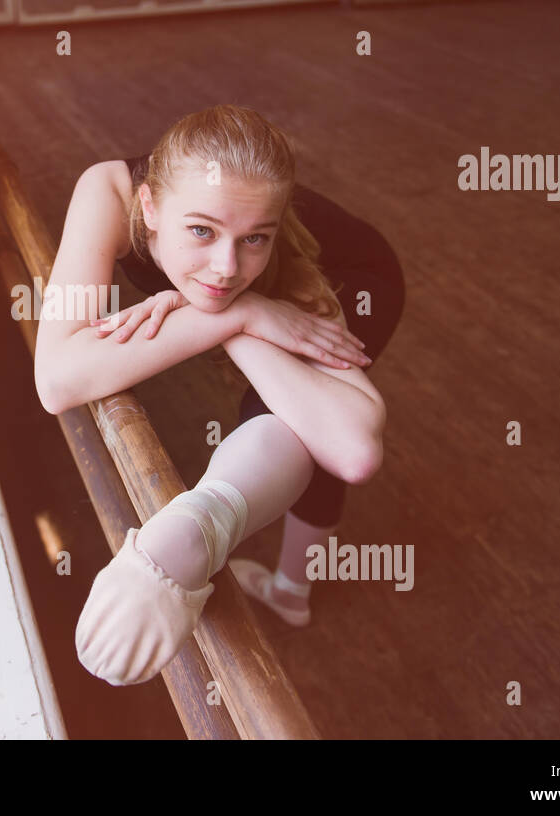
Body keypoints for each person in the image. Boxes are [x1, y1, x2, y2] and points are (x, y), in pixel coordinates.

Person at [33, 104, 405, 687]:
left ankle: (251, 560)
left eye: (254, 238)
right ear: (149, 208)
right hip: (265, 299)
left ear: (274, 230)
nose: (227, 266)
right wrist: (244, 312)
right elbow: (57, 379)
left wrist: (228, 311)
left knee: (290, 415)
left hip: (361, 278)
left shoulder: (296, 263)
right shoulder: (107, 190)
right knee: (279, 386)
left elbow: (354, 451)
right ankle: (247, 560)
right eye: (201, 231)